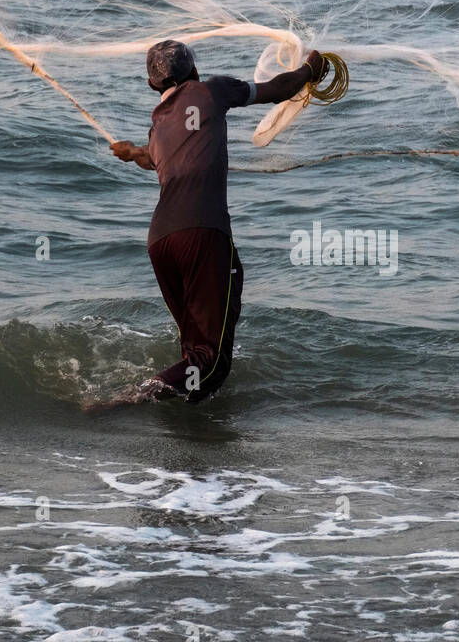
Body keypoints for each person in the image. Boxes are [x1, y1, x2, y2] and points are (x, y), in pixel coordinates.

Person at [106, 39, 327, 404]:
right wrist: (310, 70)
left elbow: (154, 160)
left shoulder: (158, 124)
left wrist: (133, 153)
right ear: (194, 69)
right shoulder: (213, 90)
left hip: (161, 241)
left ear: (151, 85)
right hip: (202, 235)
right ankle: (129, 401)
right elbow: (278, 90)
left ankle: (189, 435)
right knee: (210, 363)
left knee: (196, 344)